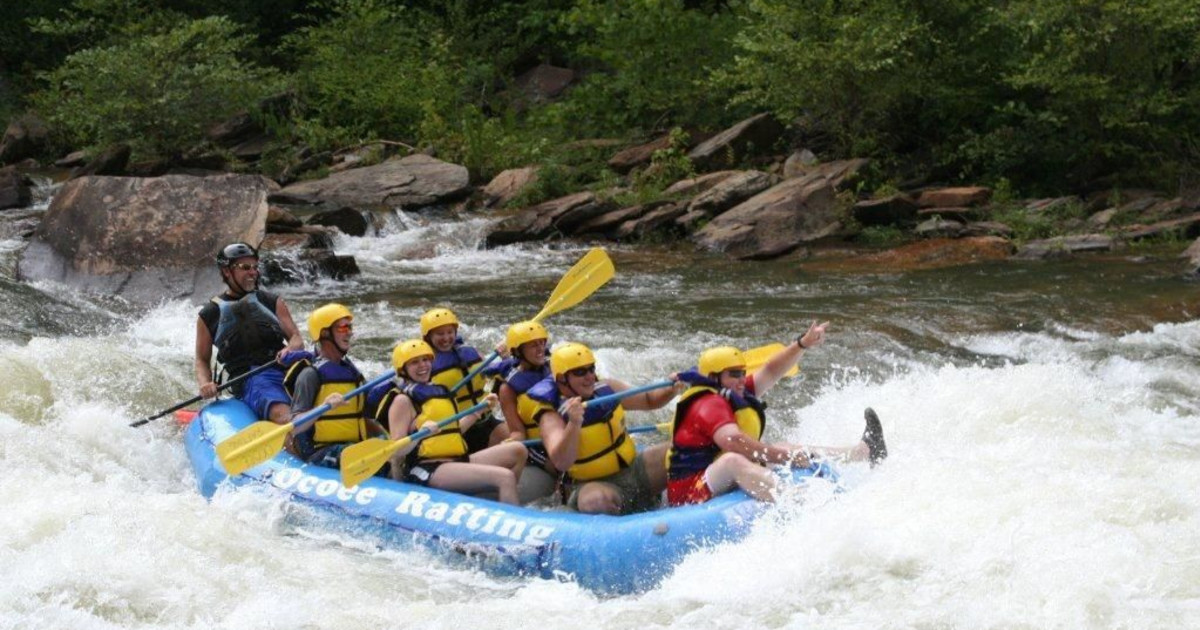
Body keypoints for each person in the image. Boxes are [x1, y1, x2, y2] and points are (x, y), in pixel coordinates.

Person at [666, 323, 888, 506]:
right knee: (734, 460)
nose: (742, 378)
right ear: (714, 377)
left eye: (743, 373)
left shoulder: (734, 391)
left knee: (784, 446)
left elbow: (771, 370)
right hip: (689, 488)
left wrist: (802, 344)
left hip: (713, 474)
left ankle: (862, 452)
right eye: (735, 374)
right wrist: (778, 457)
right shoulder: (707, 404)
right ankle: (799, 502)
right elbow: (733, 441)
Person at [527, 342, 683, 515]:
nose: (589, 377)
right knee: (595, 501)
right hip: (592, 484)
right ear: (561, 378)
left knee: (683, 449)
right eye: (580, 372)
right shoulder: (550, 415)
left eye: (591, 369)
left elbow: (648, 400)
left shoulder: (607, 388)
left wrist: (671, 389)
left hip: (633, 471)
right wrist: (574, 423)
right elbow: (562, 461)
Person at [374, 339, 528, 505]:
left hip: (456, 461)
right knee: (505, 477)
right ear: (403, 369)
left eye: (425, 360)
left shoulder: (441, 392)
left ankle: (496, 501)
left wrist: (478, 411)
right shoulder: (402, 401)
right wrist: (419, 434)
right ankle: (508, 515)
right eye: (414, 362)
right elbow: (397, 451)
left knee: (518, 450)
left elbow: (454, 431)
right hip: (427, 469)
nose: (422, 366)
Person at [195, 242, 303, 426]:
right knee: (281, 413)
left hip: (285, 369)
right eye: (245, 267)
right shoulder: (209, 314)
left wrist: (291, 348)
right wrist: (206, 383)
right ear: (227, 271)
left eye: (255, 267)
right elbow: (201, 360)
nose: (253, 272)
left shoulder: (271, 301)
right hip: (250, 379)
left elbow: (296, 338)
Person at [282, 303, 388, 469]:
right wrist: (324, 406)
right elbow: (295, 426)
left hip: (352, 447)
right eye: (343, 328)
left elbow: (363, 416)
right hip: (321, 452)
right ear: (325, 333)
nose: (350, 332)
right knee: (357, 455)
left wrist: (386, 438)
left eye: (350, 327)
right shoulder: (310, 375)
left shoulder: (352, 373)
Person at [419, 307, 509, 450]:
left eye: (450, 332)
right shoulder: (424, 365)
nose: (446, 338)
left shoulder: (470, 352)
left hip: (484, 419)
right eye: (439, 334)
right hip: (456, 427)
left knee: (511, 441)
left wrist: (505, 358)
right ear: (428, 337)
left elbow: (492, 372)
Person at [494, 320, 557, 503]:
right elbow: (517, 432)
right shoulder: (508, 388)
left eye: (541, 343)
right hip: (536, 447)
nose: (540, 349)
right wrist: (509, 446)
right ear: (519, 351)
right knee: (556, 465)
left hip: (561, 436)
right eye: (532, 345)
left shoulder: (557, 369)